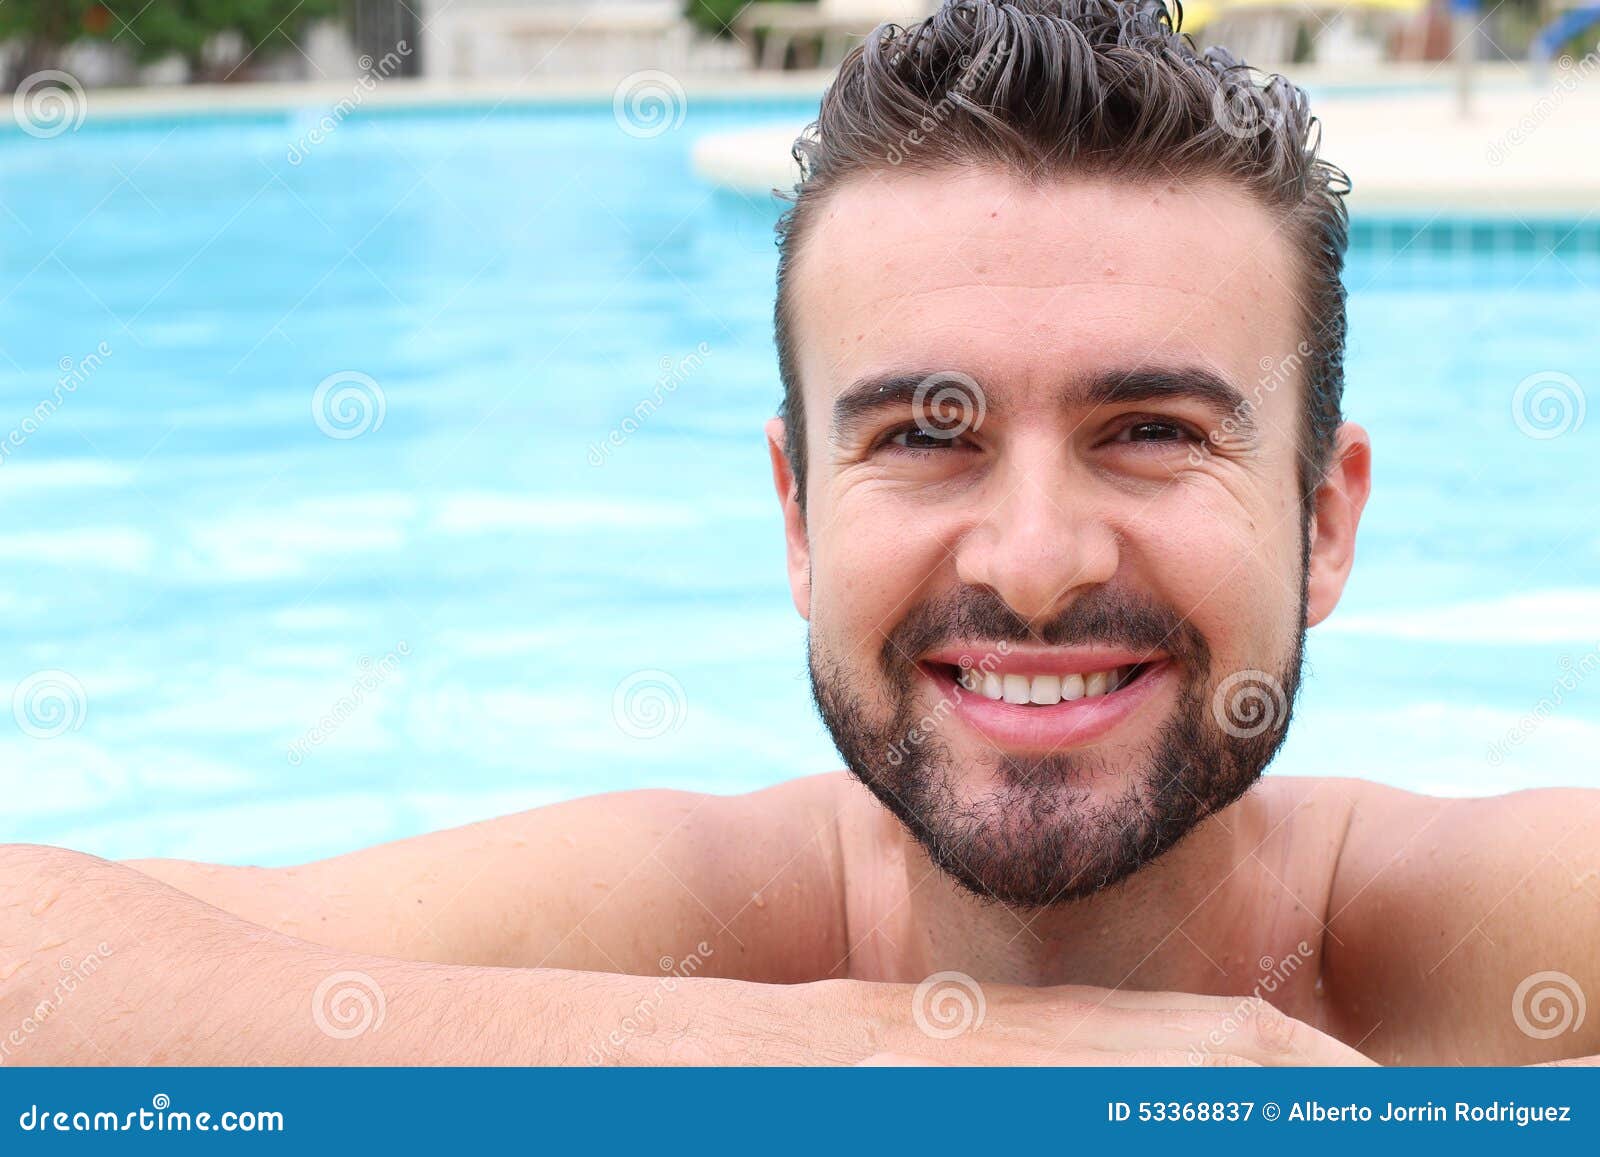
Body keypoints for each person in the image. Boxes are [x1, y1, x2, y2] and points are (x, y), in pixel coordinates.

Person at [3, 0, 1595, 1067]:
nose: (1034, 562)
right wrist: (935, 1052)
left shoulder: (1453, 940)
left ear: (1324, 520)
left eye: (1153, 432)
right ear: (796, 516)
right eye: (926, 434)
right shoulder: (701, 923)